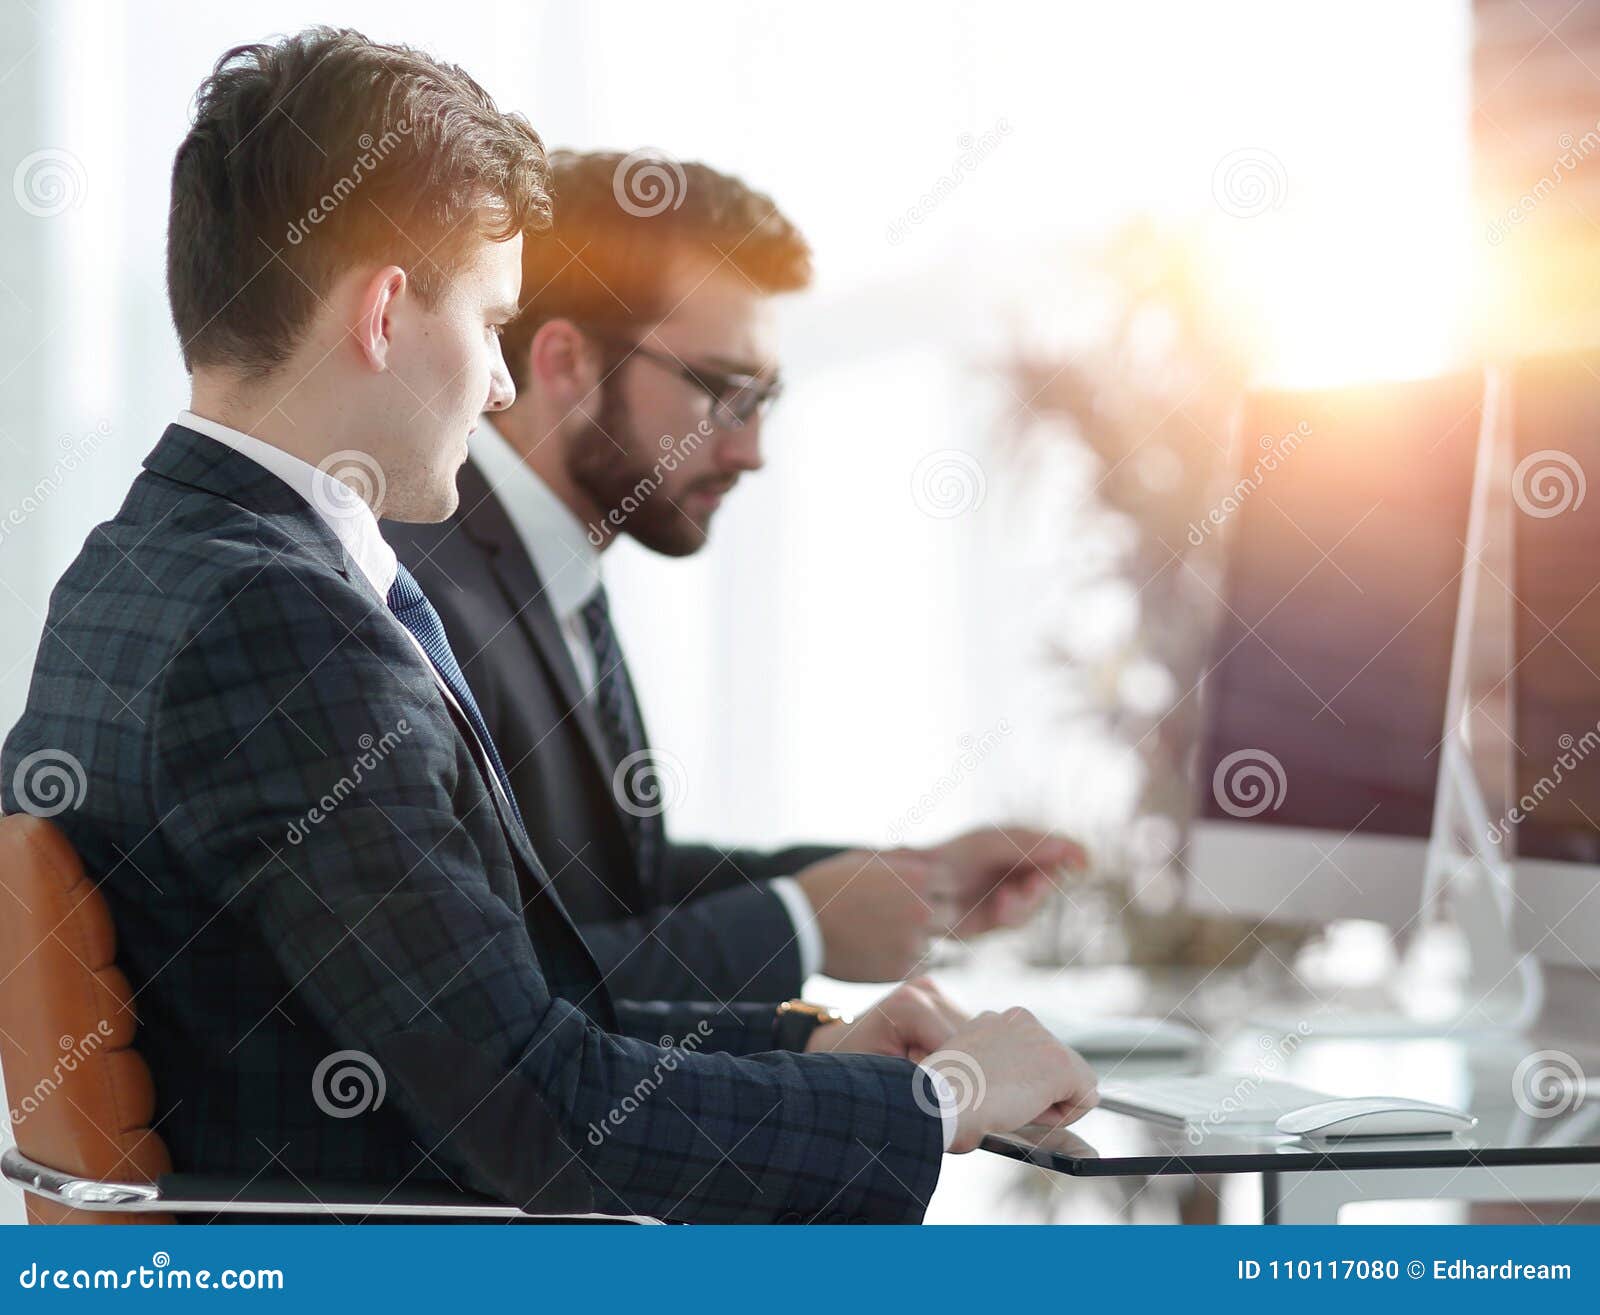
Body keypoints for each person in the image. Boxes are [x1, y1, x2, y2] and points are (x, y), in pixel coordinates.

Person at [0, 28, 1096, 1224]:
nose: (502, 386)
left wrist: (806, 1046)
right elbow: (539, 1110)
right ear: (383, 315)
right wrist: (935, 1102)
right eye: (490, 323)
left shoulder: (130, 567)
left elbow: (488, 1017)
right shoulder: (286, 628)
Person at [388, 151, 1082, 1003]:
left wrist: (912, 882)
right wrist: (799, 925)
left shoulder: (551, 568)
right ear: (567, 364)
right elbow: (490, 995)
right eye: (721, 390)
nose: (751, 450)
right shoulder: (420, 595)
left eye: (763, 401)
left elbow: (613, 888)